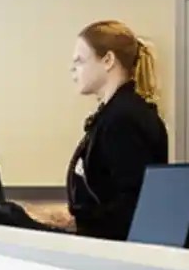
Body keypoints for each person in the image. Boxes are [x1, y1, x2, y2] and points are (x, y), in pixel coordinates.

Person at [34, 20, 169, 239]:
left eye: (79, 61)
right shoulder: (114, 114)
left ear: (108, 60)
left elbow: (129, 206)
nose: (73, 70)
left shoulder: (123, 119)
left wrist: (74, 220)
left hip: (114, 248)